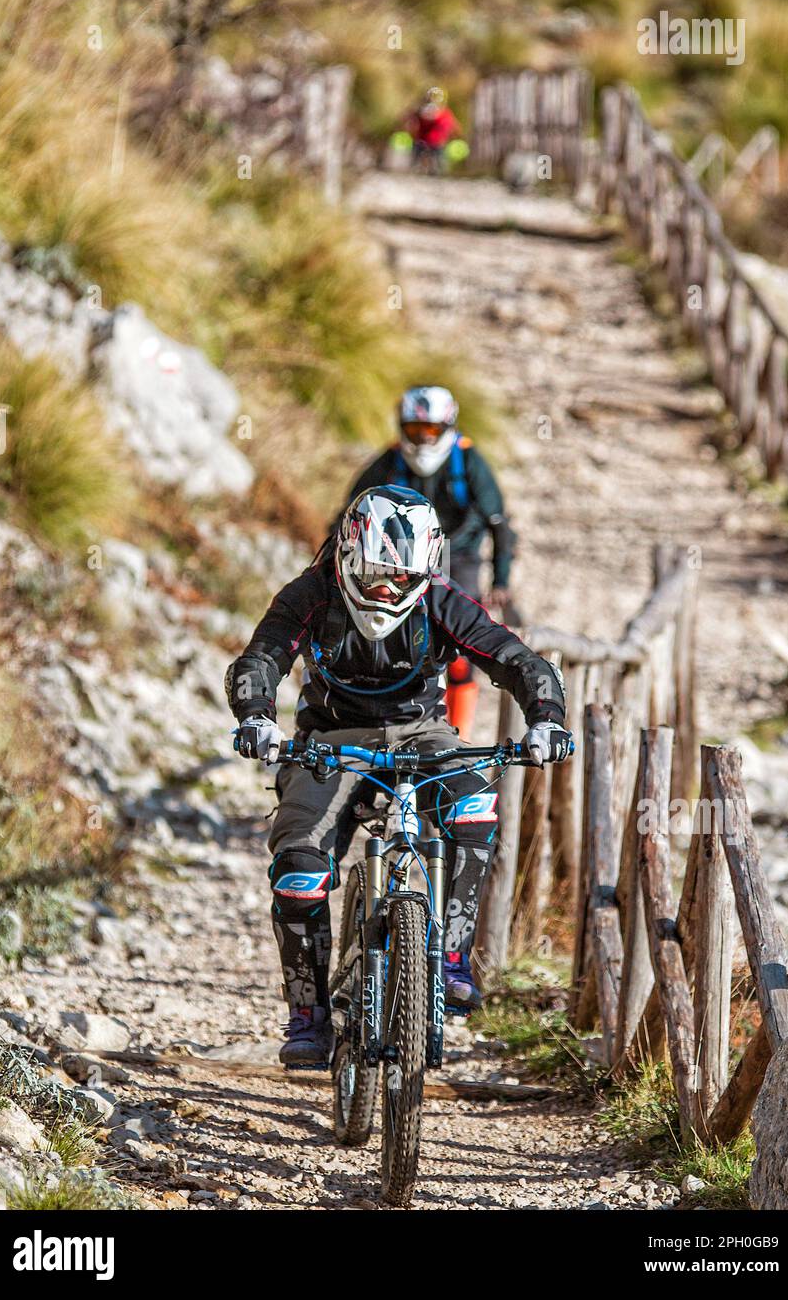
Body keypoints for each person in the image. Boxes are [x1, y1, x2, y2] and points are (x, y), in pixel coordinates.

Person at [226, 486, 570, 1068]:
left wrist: (547, 719)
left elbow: (514, 657)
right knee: (299, 870)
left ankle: (454, 958)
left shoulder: (440, 600)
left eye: (403, 576)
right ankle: (308, 1016)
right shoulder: (312, 592)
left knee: (474, 810)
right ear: (352, 553)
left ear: (426, 569)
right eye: (379, 572)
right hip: (328, 742)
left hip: (423, 734)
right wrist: (257, 717)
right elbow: (261, 658)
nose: (388, 589)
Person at [339, 385, 515, 739]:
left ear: (447, 426)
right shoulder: (388, 461)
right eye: (413, 430)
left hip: (457, 557)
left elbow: (500, 524)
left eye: (430, 431)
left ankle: (457, 736)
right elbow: (348, 514)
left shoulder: (468, 461)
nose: (421, 440)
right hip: (398, 562)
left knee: (460, 645)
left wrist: (501, 580)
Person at [405, 87, 461, 173]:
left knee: (425, 158)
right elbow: (454, 126)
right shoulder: (444, 113)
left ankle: (418, 167)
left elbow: (410, 121)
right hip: (433, 141)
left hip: (427, 140)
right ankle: (435, 169)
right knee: (438, 161)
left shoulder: (420, 111)